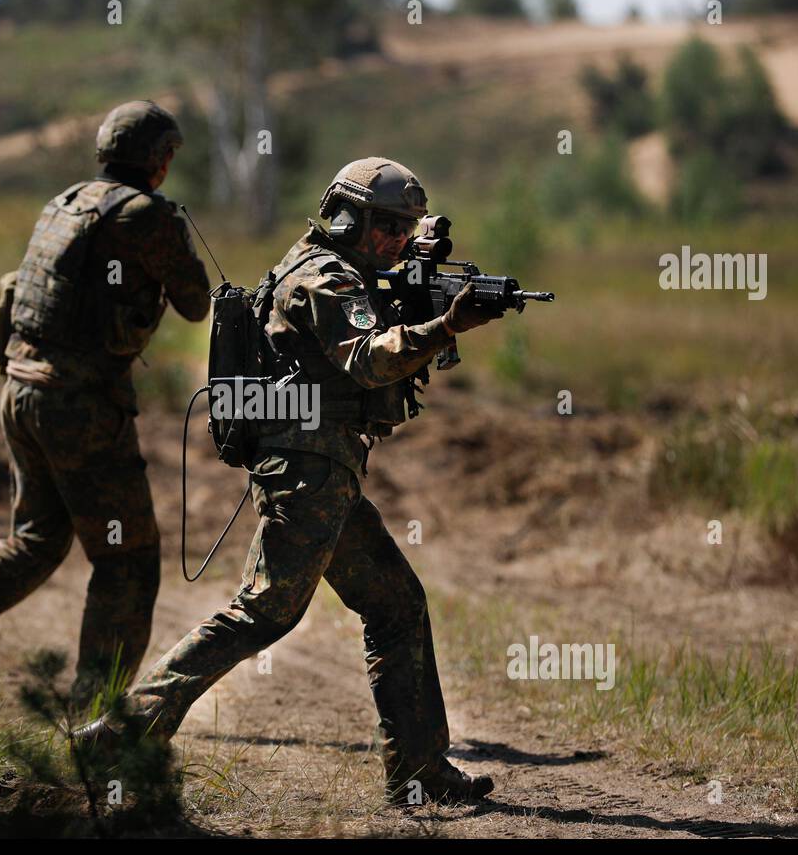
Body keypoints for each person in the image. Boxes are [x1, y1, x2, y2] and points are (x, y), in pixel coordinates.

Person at [76, 157, 504, 805]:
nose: (394, 238)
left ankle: (420, 769)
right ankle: (123, 731)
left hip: (323, 468)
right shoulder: (324, 279)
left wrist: (423, 291)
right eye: (384, 225)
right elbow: (364, 361)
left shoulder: (340, 267)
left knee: (396, 605)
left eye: (405, 227)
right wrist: (443, 326)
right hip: (309, 471)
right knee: (263, 613)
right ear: (346, 216)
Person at [0, 100, 210, 706]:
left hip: (21, 391)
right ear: (159, 161)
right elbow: (196, 301)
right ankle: (95, 713)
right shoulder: (143, 216)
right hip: (78, 405)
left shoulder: (64, 204)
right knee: (127, 558)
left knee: (36, 541)